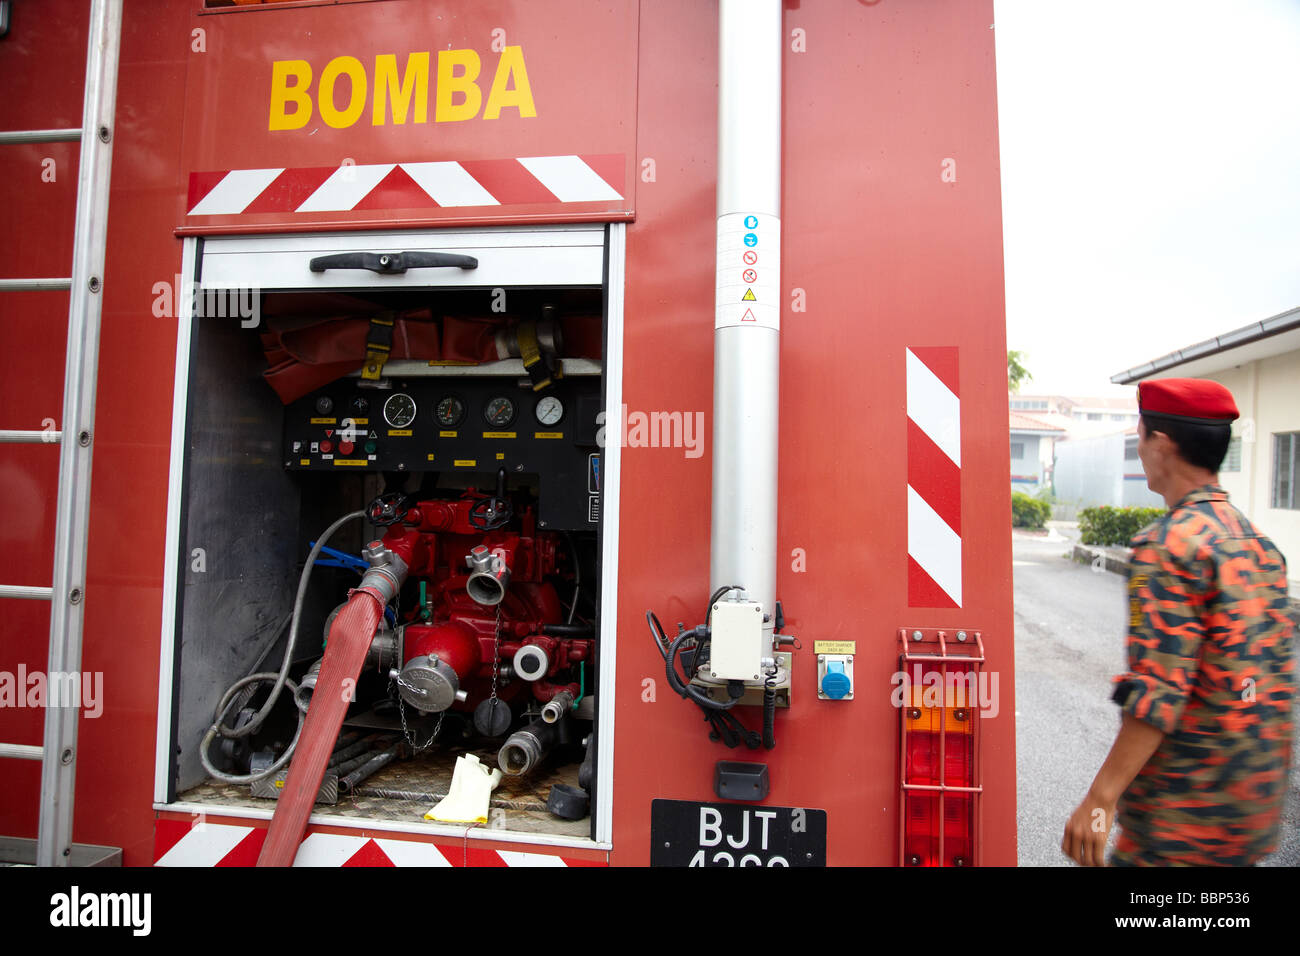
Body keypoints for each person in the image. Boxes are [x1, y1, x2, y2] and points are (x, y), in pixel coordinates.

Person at [1062, 377, 1294, 866]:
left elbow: (1158, 695)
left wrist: (1100, 802)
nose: (1140, 448)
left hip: (1182, 822)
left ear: (1162, 444)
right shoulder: (1261, 547)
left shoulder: (1170, 547)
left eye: (1140, 435)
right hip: (1249, 812)